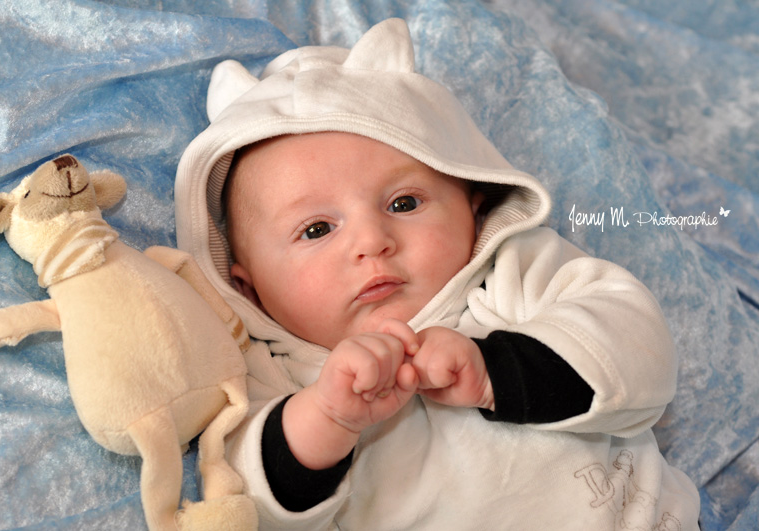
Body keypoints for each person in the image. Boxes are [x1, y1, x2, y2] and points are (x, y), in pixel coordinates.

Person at [174, 18, 700, 530]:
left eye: (404, 202)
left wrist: (495, 370)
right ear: (247, 287)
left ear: (473, 204)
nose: (371, 240)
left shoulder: (510, 274)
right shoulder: (270, 375)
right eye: (315, 230)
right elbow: (244, 499)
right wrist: (327, 420)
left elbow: (638, 348)